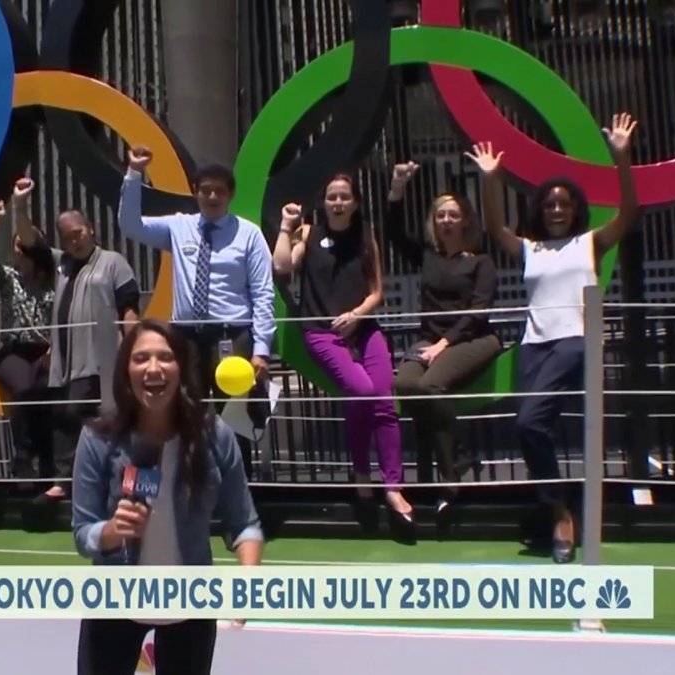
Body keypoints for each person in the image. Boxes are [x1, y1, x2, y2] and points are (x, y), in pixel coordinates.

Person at [470, 112, 639, 563]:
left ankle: (562, 519)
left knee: (528, 423)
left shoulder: (591, 243)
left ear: (575, 208)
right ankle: (560, 510)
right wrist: (491, 179)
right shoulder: (532, 248)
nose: (558, 210)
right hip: (533, 346)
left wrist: (621, 158)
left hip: (573, 340)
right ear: (540, 210)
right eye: (550, 205)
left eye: (564, 204)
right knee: (529, 431)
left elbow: (629, 213)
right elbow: (495, 229)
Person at [71, 318, 263, 675]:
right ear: (125, 371)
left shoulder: (214, 436)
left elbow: (244, 523)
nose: (153, 368)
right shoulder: (98, 439)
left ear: (181, 368)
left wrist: (247, 582)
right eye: (141, 358)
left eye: (165, 357)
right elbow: (83, 533)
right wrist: (112, 531)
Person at [118, 146, 275, 479]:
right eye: (205, 190)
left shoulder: (249, 234)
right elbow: (130, 225)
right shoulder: (179, 227)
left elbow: (263, 294)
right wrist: (133, 173)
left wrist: (261, 350)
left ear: (230, 194)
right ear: (195, 192)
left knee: (235, 421)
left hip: (233, 336)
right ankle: (192, 487)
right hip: (186, 336)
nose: (212, 196)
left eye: (219, 190)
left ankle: (239, 494)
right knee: (186, 414)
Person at [272, 174, 413, 539]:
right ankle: (362, 473)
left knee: (384, 398)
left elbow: (377, 291)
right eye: (331, 196)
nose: (337, 202)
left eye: (344, 196)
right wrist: (286, 228)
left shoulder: (366, 236)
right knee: (362, 392)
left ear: (355, 202)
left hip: (364, 326)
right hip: (320, 330)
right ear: (324, 201)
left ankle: (394, 487)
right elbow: (282, 268)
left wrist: (358, 315)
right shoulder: (307, 233)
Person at [384, 161, 502, 536]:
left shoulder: (481, 261)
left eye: (454, 215)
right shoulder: (428, 256)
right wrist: (398, 188)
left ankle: (449, 478)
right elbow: (391, 231)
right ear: (434, 222)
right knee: (404, 385)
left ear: (465, 221)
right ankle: (462, 457)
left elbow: (479, 312)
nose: (447, 221)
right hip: (429, 340)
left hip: (473, 339)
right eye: (441, 215)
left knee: (430, 386)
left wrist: (443, 344)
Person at [12, 177, 141, 503]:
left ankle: (108, 484)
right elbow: (29, 240)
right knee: (65, 420)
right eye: (68, 237)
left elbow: (129, 309)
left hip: (102, 360)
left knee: (95, 419)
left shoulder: (114, 262)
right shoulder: (60, 264)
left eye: (79, 233)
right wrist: (20, 205)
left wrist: (134, 350)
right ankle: (66, 483)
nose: (75, 240)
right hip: (64, 363)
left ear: (91, 229)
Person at [0, 191, 56, 484]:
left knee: (47, 390)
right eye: (17, 245)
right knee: (24, 389)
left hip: (46, 349)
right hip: (14, 350)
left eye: (26, 245)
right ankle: (22, 458)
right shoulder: (8, 277)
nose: (20, 249)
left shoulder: (53, 279)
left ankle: (49, 461)